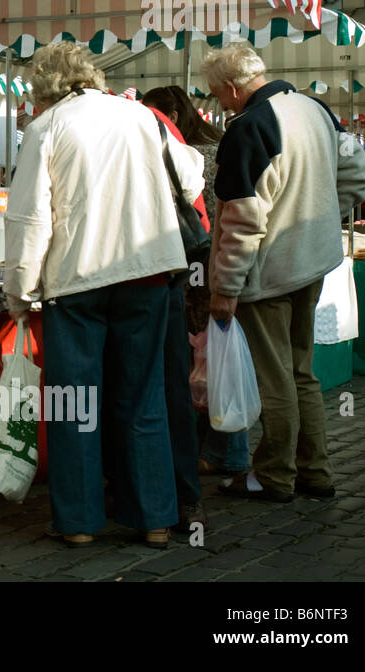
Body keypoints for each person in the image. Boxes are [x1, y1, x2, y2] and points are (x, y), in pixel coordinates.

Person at [4, 42, 204, 548]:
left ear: (45, 88)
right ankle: (155, 517)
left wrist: (20, 289)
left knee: (76, 403)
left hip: (79, 278)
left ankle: (77, 522)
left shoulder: (47, 128)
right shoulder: (143, 116)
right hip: (148, 271)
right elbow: (191, 174)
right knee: (143, 397)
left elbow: (29, 217)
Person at [202, 44, 365, 502]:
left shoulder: (249, 128)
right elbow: (358, 173)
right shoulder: (314, 109)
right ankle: (314, 471)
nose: (220, 103)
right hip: (311, 263)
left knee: (276, 378)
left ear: (233, 89)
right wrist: (320, 218)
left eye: (219, 95)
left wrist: (225, 288)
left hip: (271, 272)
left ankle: (275, 476)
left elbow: (241, 222)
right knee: (301, 372)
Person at [142, 85, 248, 480]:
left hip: (192, 262)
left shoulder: (183, 152)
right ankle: (217, 450)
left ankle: (226, 452)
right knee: (213, 357)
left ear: (169, 114)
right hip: (214, 259)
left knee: (201, 359)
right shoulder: (214, 145)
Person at [137, 87, 216, 532]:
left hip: (167, 271)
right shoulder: (173, 135)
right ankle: (194, 486)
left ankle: (160, 496)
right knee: (185, 375)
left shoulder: (155, 128)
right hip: (185, 264)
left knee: (161, 382)